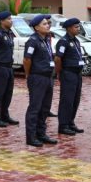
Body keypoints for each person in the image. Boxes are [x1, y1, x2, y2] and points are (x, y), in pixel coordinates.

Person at [23, 14, 57, 147]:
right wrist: (29, 74)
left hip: (48, 77)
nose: (47, 25)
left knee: (45, 108)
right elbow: (27, 60)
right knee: (35, 107)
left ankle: (41, 133)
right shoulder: (33, 41)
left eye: (48, 23)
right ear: (36, 27)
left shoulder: (46, 39)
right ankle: (31, 137)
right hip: (37, 77)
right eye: (44, 24)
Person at [54, 18, 86, 136]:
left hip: (77, 74)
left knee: (75, 100)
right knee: (67, 100)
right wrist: (60, 73)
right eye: (76, 27)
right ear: (68, 28)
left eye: (78, 27)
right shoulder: (63, 41)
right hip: (68, 73)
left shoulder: (76, 40)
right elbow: (58, 59)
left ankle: (70, 122)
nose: (78, 29)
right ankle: (63, 125)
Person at [0, 12, 19, 127]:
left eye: (11, 18)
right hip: (0, 67)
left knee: (8, 93)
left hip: (9, 67)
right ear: (2, 21)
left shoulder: (10, 33)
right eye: (8, 19)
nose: (11, 21)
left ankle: (4, 115)